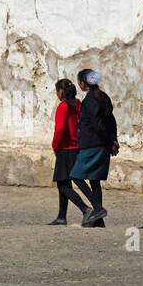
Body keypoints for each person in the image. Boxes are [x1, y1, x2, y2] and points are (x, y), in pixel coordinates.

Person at [69, 68, 119, 227]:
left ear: (83, 83)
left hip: (92, 145)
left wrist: (109, 142)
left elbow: (97, 125)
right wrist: (113, 140)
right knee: (94, 181)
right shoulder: (103, 97)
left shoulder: (90, 100)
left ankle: (97, 209)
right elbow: (111, 121)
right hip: (102, 145)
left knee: (76, 176)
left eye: (79, 82)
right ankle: (99, 221)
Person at [48, 79, 89, 225]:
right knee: (64, 182)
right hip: (76, 147)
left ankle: (85, 209)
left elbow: (59, 129)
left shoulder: (63, 107)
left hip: (65, 149)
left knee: (63, 185)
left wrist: (55, 146)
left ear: (61, 91)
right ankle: (61, 216)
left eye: (57, 91)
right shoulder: (77, 105)